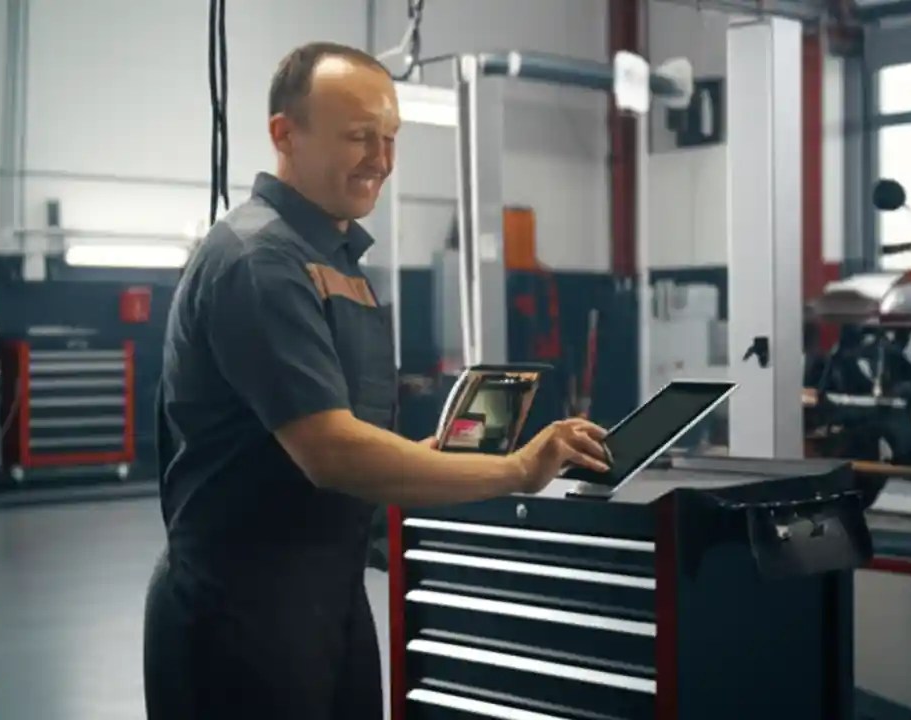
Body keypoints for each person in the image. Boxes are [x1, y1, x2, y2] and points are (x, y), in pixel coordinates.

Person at [143, 42, 610, 719]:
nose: (382, 160)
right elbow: (332, 451)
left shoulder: (333, 257)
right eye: (360, 136)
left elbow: (357, 435)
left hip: (327, 598)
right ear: (285, 134)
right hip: (239, 617)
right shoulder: (259, 260)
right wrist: (514, 470)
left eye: (389, 139)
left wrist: (446, 463)